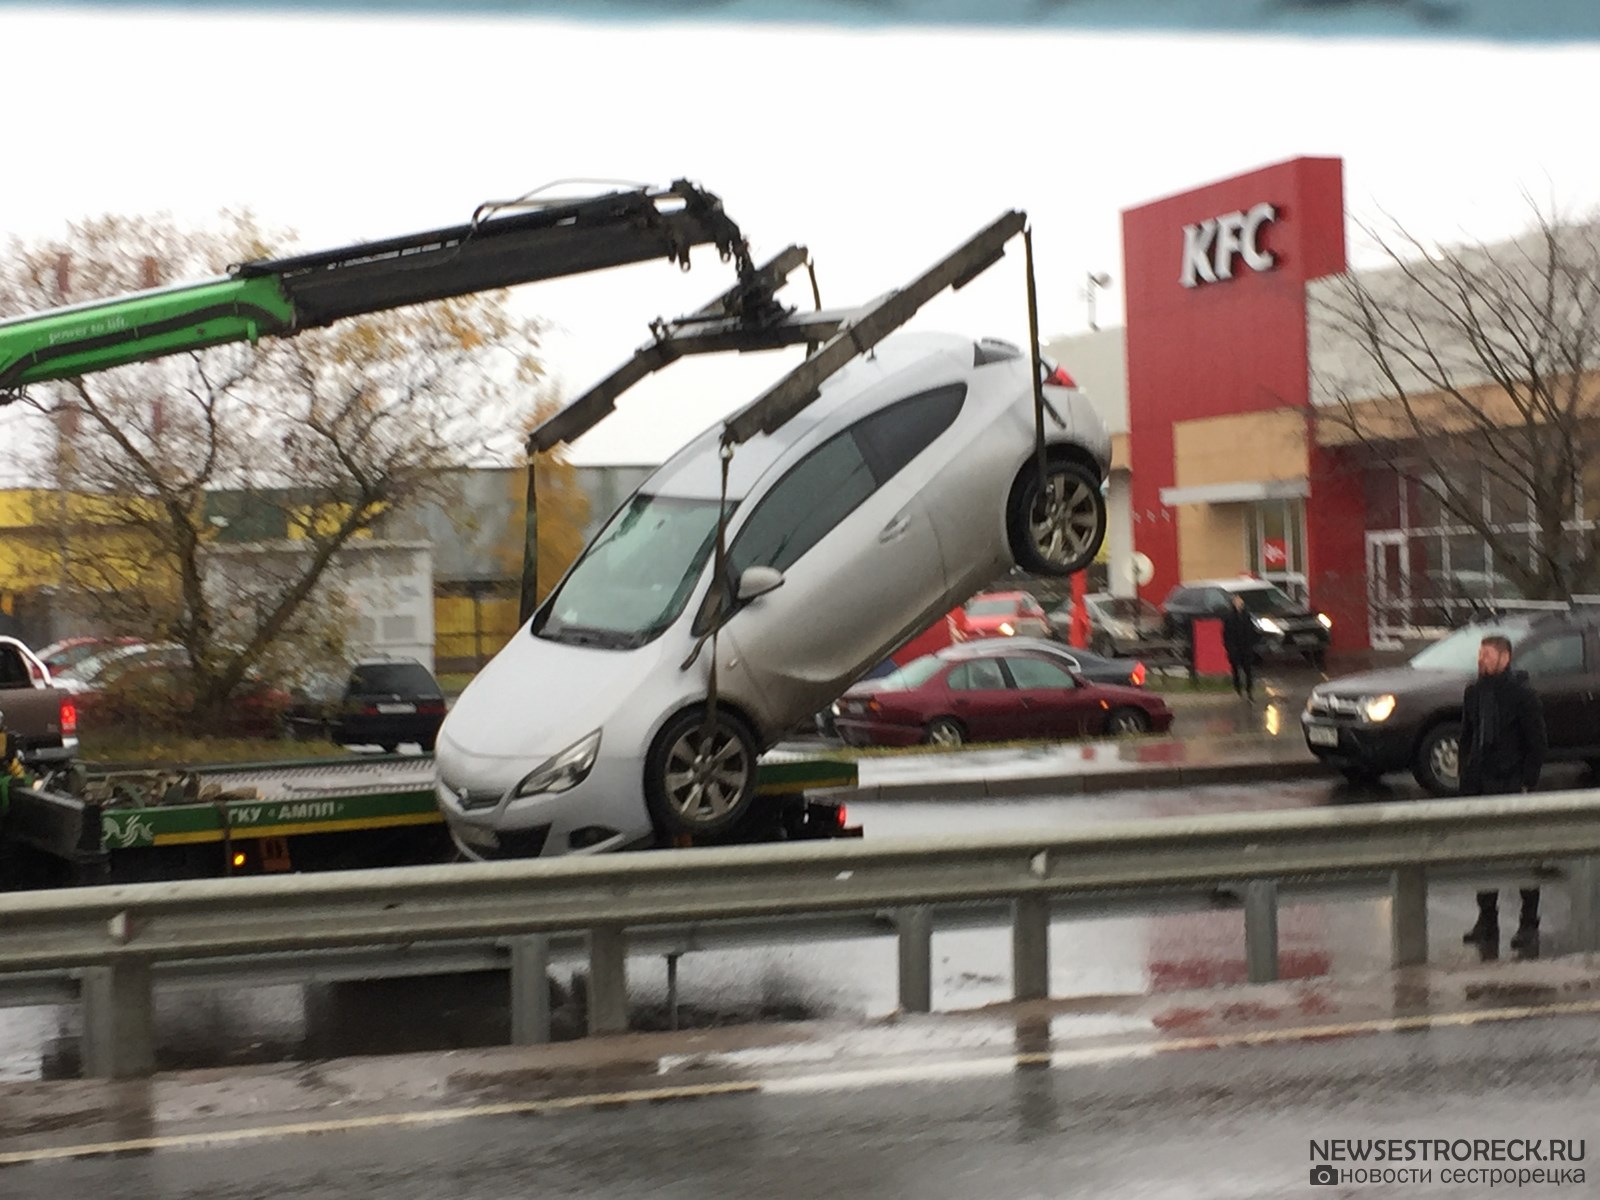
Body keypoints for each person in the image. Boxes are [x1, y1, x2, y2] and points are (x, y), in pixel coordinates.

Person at [1458, 634, 1548, 952]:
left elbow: (1537, 744)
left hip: (1511, 785)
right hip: (1480, 786)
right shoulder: (1474, 693)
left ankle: (1528, 923)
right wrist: (1465, 777)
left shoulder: (1522, 696)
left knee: (1522, 856)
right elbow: (1466, 737)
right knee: (1483, 857)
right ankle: (1487, 921)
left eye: (1487, 655)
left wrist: (1526, 783)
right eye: (1480, 654)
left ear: (1505, 658)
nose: (1481, 660)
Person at [1221, 594, 1259, 700]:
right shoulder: (1229, 616)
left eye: (1240, 601)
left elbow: (1252, 630)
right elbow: (1226, 634)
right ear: (1233, 603)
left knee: (1248, 670)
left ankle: (1249, 691)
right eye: (1236, 601)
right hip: (1234, 648)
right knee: (1236, 670)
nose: (1239, 603)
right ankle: (1238, 688)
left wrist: (1252, 643)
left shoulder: (1247, 615)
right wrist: (1229, 647)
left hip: (1246, 647)